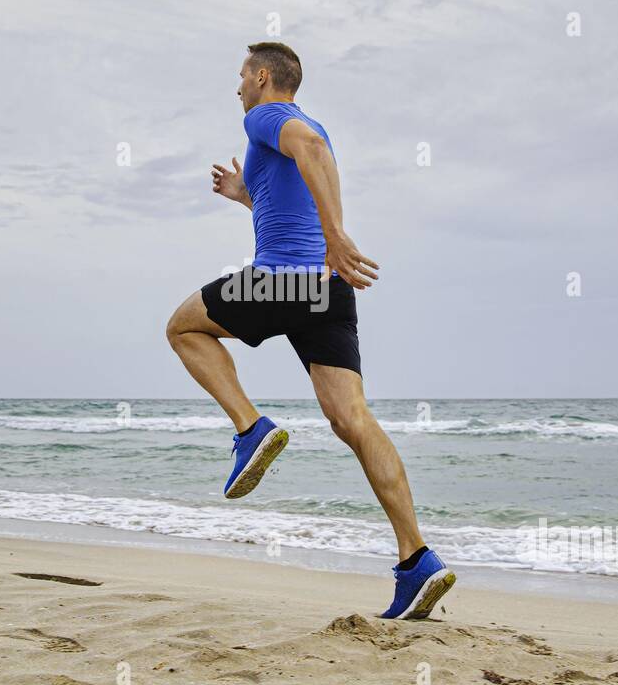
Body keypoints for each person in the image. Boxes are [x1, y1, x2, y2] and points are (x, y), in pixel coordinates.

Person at [165, 42, 456, 620]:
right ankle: (416, 559)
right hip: (327, 291)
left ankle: (251, 429)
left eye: (242, 76)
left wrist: (337, 234)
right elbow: (297, 190)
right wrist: (246, 196)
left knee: (182, 328)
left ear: (264, 76)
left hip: (285, 282)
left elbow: (313, 152)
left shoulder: (268, 116)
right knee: (352, 419)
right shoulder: (291, 130)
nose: (237, 88)